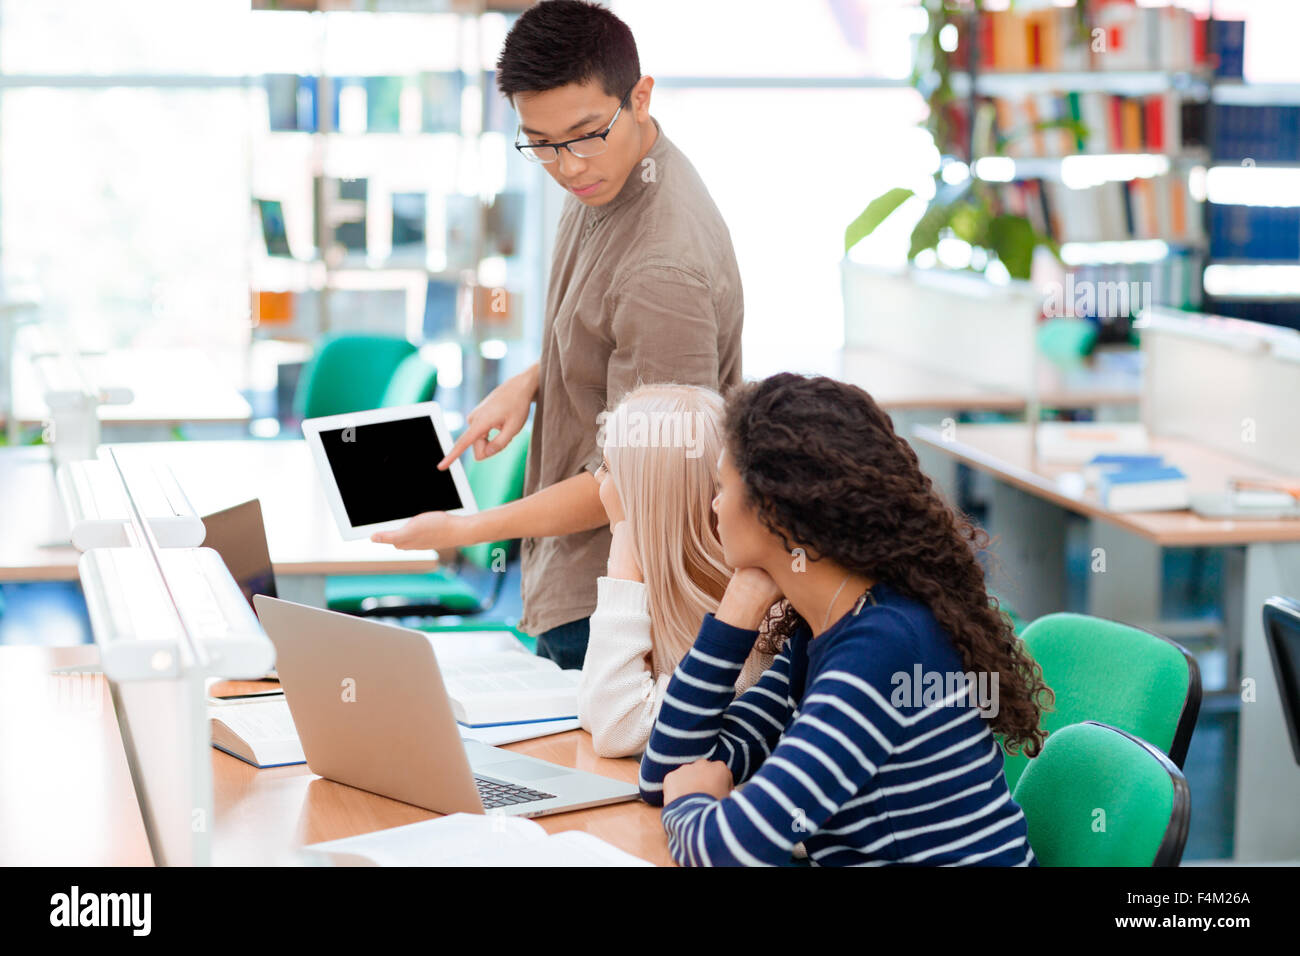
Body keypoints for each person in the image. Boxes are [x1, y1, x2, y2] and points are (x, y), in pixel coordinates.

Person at [371, 0, 743, 670]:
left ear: (640, 96)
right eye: (539, 143)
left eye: (583, 134)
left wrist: (468, 530)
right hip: (579, 585)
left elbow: (638, 480)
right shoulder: (608, 176)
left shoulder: (663, 265)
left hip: (625, 605)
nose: (567, 166)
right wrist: (534, 379)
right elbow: (605, 321)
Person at [639, 373, 1052, 867]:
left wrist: (689, 803)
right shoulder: (826, 628)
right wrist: (737, 611)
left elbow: (731, 849)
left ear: (773, 511)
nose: (715, 505)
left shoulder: (883, 647)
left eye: (722, 486)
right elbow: (664, 769)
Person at [577, 384, 775, 758]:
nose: (600, 483)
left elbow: (615, 728)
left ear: (650, 497)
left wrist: (624, 542)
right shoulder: (666, 592)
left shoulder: (752, 624)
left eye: (607, 467)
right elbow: (593, 707)